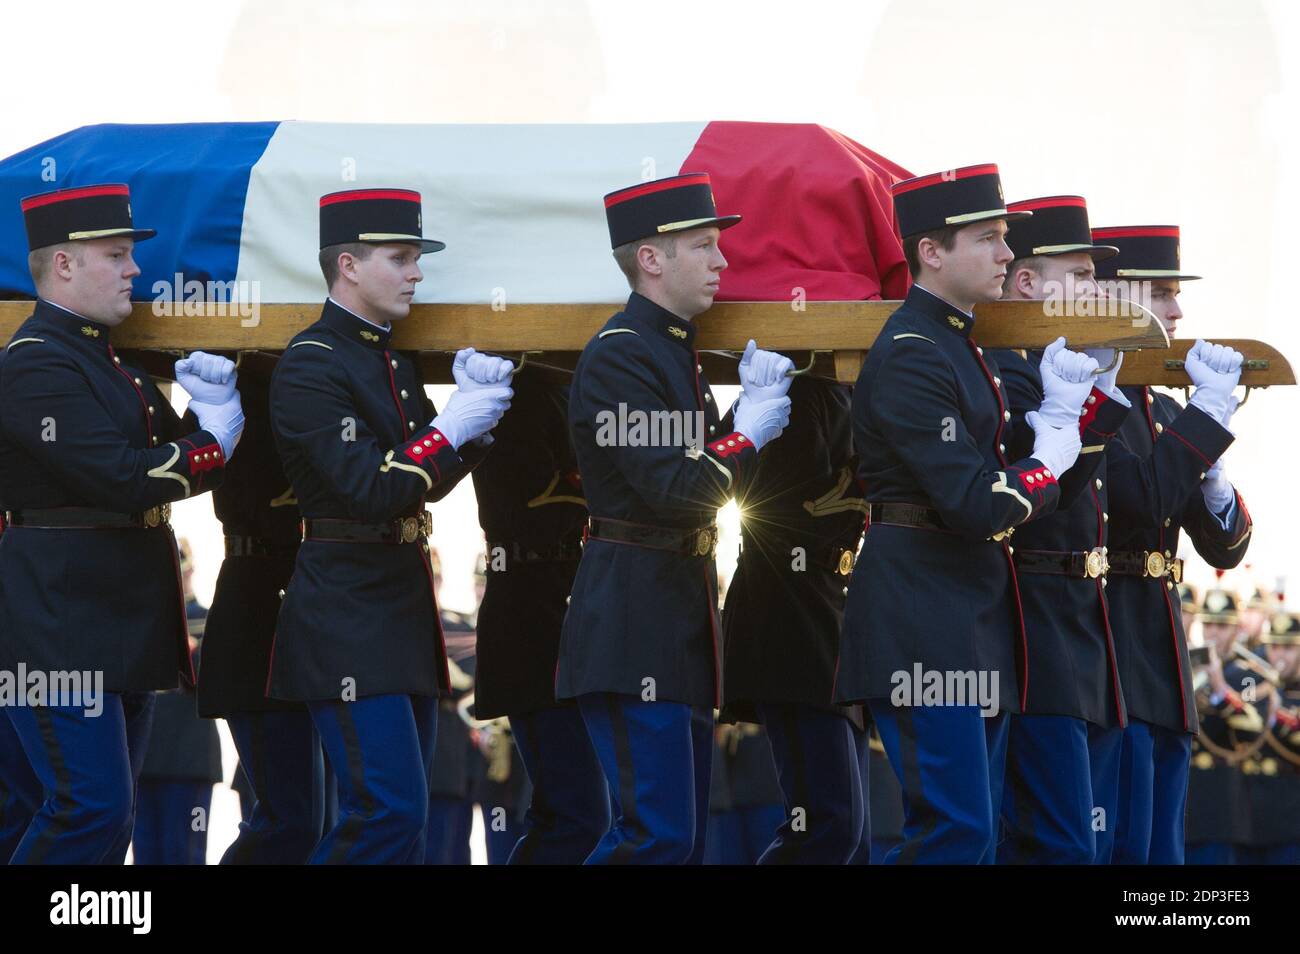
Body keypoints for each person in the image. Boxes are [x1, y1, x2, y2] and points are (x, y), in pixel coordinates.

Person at [834, 163, 1097, 864]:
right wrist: (1049, 454)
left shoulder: (959, 344)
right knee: (953, 833)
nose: (1007, 254)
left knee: (975, 838)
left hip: (966, 613)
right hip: (922, 615)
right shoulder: (915, 352)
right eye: (989, 238)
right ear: (931, 250)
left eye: (1005, 237)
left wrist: (1075, 428)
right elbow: (979, 503)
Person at [0, 183, 243, 863]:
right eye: (116, 255)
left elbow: (172, 460)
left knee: (107, 818)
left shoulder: (113, 367)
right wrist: (213, 438)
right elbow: (124, 476)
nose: (134, 269)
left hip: (119, 624)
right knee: (89, 809)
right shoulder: (36, 363)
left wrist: (211, 420)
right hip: (58, 626)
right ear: (65, 266)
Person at [268, 187, 510, 864]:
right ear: (348, 265)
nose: (416, 273)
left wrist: (475, 430)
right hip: (344, 610)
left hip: (398, 605)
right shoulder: (312, 362)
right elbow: (368, 487)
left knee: (405, 821)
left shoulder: (390, 361)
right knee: (386, 813)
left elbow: (417, 483)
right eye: (400, 258)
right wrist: (451, 425)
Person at [557, 172, 793, 863]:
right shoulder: (623, 352)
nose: (722, 261)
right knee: (652, 837)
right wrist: (746, 430)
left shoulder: (669, 348)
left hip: (671, 621)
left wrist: (740, 419)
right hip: (634, 626)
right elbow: (678, 487)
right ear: (652, 259)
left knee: (677, 842)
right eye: (704, 245)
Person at [1093, 223, 1254, 864]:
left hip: (1160, 648)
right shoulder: (1089, 402)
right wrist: (1204, 425)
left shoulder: (1161, 410)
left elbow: (1224, 549)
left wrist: (1214, 479)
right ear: (1113, 298)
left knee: (1163, 852)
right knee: (1120, 843)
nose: (1177, 310)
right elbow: (1138, 503)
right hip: (1111, 634)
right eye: (1160, 292)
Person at [986, 195, 1133, 863]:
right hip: (1025, 627)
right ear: (1026, 283)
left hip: (1068, 635)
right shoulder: (1006, 368)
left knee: (1074, 843)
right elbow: (1041, 497)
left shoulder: (1046, 367)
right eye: (1078, 276)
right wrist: (1083, 409)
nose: (1095, 291)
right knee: (1055, 844)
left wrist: (1092, 400)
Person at [469, 362, 610, 864]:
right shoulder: (519, 390)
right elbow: (553, 491)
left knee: (581, 813)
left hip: (572, 608)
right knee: (574, 813)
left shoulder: (568, 386)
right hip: (530, 616)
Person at [197, 359, 323, 864]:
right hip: (255, 621)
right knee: (287, 820)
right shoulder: (246, 388)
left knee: (303, 820)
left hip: (304, 615)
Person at [133, 539, 223, 864]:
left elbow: (215, 678)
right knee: (146, 852)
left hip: (189, 758)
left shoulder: (209, 619)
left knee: (182, 851)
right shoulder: (141, 623)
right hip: (145, 758)